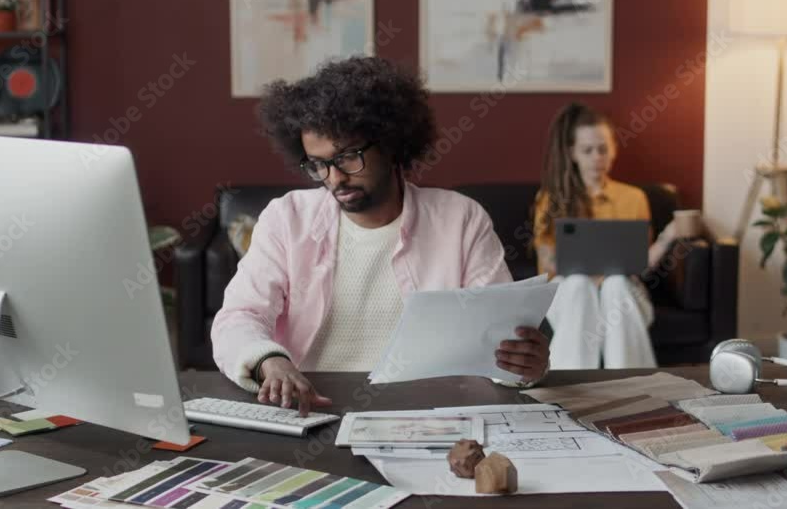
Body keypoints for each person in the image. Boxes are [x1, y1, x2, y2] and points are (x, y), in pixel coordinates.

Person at [211, 56, 551, 415]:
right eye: (318, 164)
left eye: (348, 157)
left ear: (390, 145)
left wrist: (523, 367)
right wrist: (270, 361)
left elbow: (498, 340)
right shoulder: (287, 218)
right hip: (312, 409)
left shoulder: (460, 219)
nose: (335, 178)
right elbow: (238, 317)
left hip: (430, 414)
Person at [532, 103, 677, 369]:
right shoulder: (551, 199)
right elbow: (547, 262)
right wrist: (581, 268)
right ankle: (571, 385)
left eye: (603, 149)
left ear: (613, 149)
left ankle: (629, 384)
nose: (597, 157)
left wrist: (668, 237)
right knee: (577, 283)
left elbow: (639, 264)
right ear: (572, 153)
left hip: (622, 291)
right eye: (588, 150)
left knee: (617, 283)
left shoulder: (634, 198)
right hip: (569, 293)